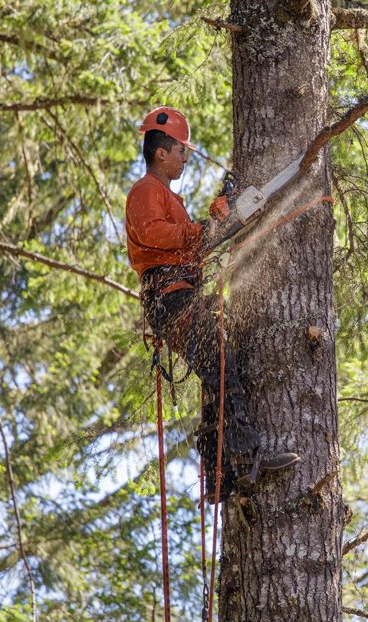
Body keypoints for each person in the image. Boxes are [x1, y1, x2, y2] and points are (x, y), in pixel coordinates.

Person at [125, 107, 300, 502]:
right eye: (180, 152)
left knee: (213, 367)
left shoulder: (166, 197)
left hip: (178, 294)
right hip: (170, 298)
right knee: (220, 363)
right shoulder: (146, 192)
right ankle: (247, 455)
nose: (186, 158)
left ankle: (220, 476)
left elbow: (185, 241)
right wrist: (204, 229)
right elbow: (156, 234)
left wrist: (219, 218)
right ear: (160, 154)